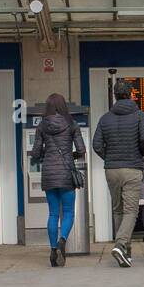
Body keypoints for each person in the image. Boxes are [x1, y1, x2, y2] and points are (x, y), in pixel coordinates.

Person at [92, 81, 144, 268]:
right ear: (132, 94)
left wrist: (109, 157)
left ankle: (125, 252)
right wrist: (140, 155)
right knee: (131, 210)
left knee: (118, 209)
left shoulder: (105, 118)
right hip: (132, 168)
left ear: (114, 96)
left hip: (111, 170)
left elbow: (96, 145)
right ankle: (120, 244)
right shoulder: (139, 116)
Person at [30, 93, 86, 268]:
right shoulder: (72, 124)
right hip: (66, 172)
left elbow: (36, 153)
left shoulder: (41, 126)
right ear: (63, 106)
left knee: (53, 213)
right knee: (68, 212)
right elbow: (82, 150)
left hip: (49, 173)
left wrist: (46, 155)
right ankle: (62, 241)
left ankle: (53, 250)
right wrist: (70, 155)